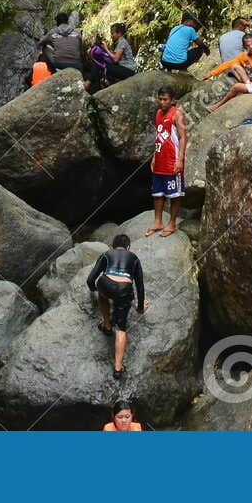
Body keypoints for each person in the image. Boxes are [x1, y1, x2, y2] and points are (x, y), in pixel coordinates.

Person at [88, 233, 147, 377]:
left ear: (112, 247)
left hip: (106, 284)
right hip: (123, 290)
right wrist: (139, 307)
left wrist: (94, 289)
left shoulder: (106, 254)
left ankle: (106, 324)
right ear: (128, 248)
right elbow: (140, 286)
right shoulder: (134, 258)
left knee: (102, 291)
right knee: (121, 328)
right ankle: (118, 368)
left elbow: (91, 279)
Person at [145, 86, 186, 236]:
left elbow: (182, 137)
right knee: (157, 193)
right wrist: (155, 156)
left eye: (165, 99)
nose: (162, 102)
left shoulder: (177, 114)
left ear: (172, 100)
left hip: (172, 161)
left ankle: (172, 223)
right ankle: (158, 221)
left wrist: (180, 160)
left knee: (174, 195)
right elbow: (159, 135)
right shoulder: (158, 114)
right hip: (160, 159)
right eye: (160, 99)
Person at [203, 33, 252, 111]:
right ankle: (248, 86)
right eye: (248, 45)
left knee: (236, 87)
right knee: (235, 66)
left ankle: (217, 106)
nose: (251, 47)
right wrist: (210, 74)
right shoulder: (243, 56)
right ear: (244, 47)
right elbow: (227, 64)